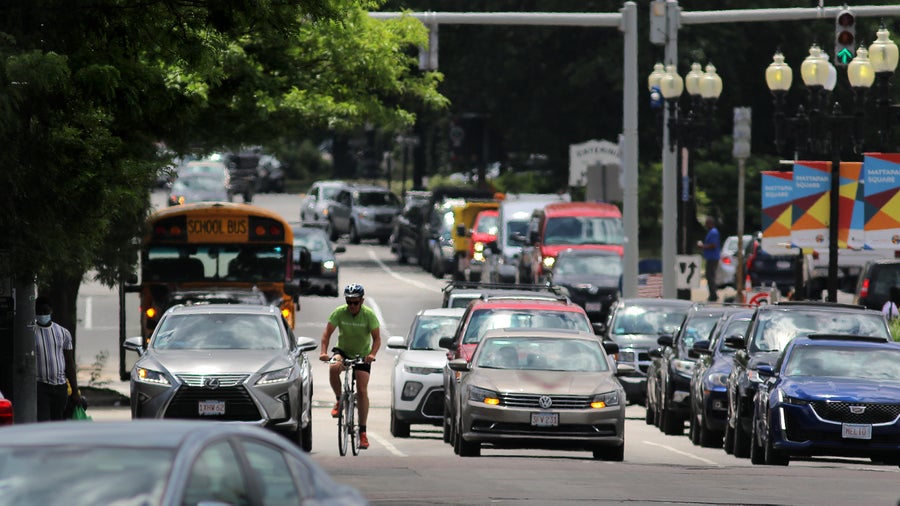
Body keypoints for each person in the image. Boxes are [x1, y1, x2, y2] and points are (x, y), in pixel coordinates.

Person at [319, 283, 380, 450]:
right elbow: (326, 334)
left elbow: (377, 339)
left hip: (362, 355)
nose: (352, 306)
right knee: (333, 367)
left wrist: (372, 354)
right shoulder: (339, 312)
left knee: (362, 390)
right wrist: (323, 352)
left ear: (362, 301)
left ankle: (363, 432)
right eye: (349, 302)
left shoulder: (369, 315)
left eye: (355, 302)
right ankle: (339, 400)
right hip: (343, 351)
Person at [33, 295, 80, 422]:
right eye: (39, 312)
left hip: (60, 387)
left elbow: (69, 362)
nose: (42, 315)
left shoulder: (63, 333)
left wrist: (75, 391)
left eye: (45, 311)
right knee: (44, 421)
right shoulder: (31, 333)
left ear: (51, 311)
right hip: (40, 386)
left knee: (58, 422)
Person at [697, 216, 722, 302]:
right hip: (710, 257)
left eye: (707, 223)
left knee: (710, 276)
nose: (706, 225)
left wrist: (702, 246)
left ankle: (713, 295)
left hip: (713, 257)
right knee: (710, 276)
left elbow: (713, 245)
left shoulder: (714, 232)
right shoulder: (711, 232)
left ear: (711, 223)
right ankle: (713, 294)